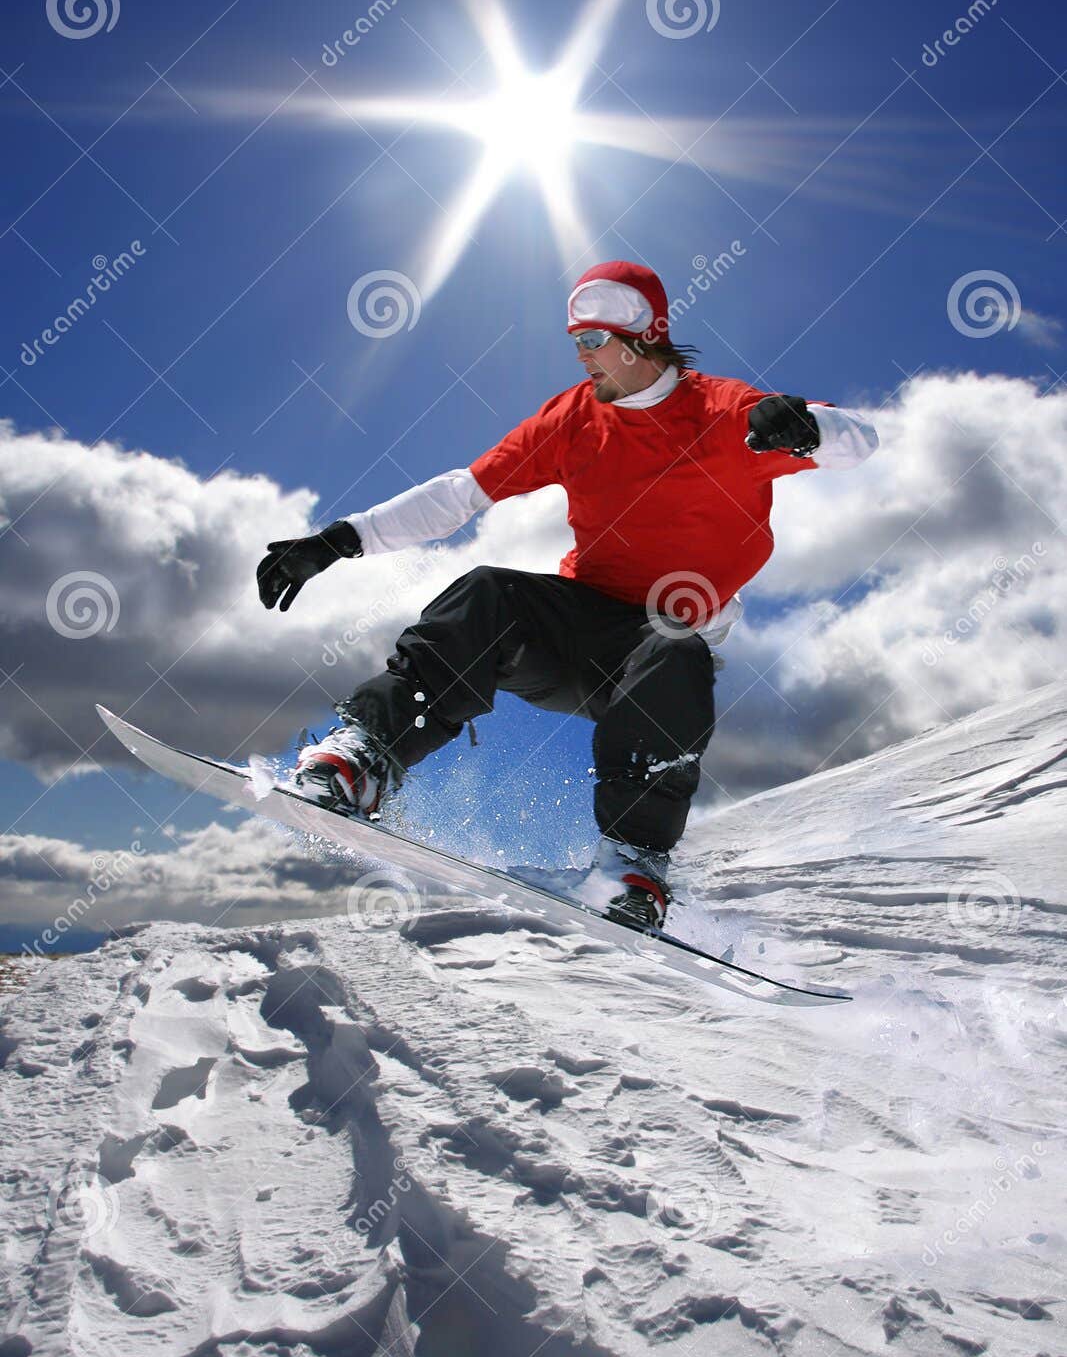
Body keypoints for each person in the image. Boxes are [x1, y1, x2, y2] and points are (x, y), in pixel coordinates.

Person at [257, 260, 878, 932]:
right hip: (574, 632)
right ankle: (363, 759)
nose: (580, 356)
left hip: (653, 651)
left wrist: (806, 425)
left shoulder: (724, 412)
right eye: (575, 340)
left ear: (641, 338)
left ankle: (631, 865)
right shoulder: (571, 419)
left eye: (591, 340)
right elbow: (459, 494)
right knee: (487, 592)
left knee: (676, 647)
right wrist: (338, 540)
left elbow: (858, 440)